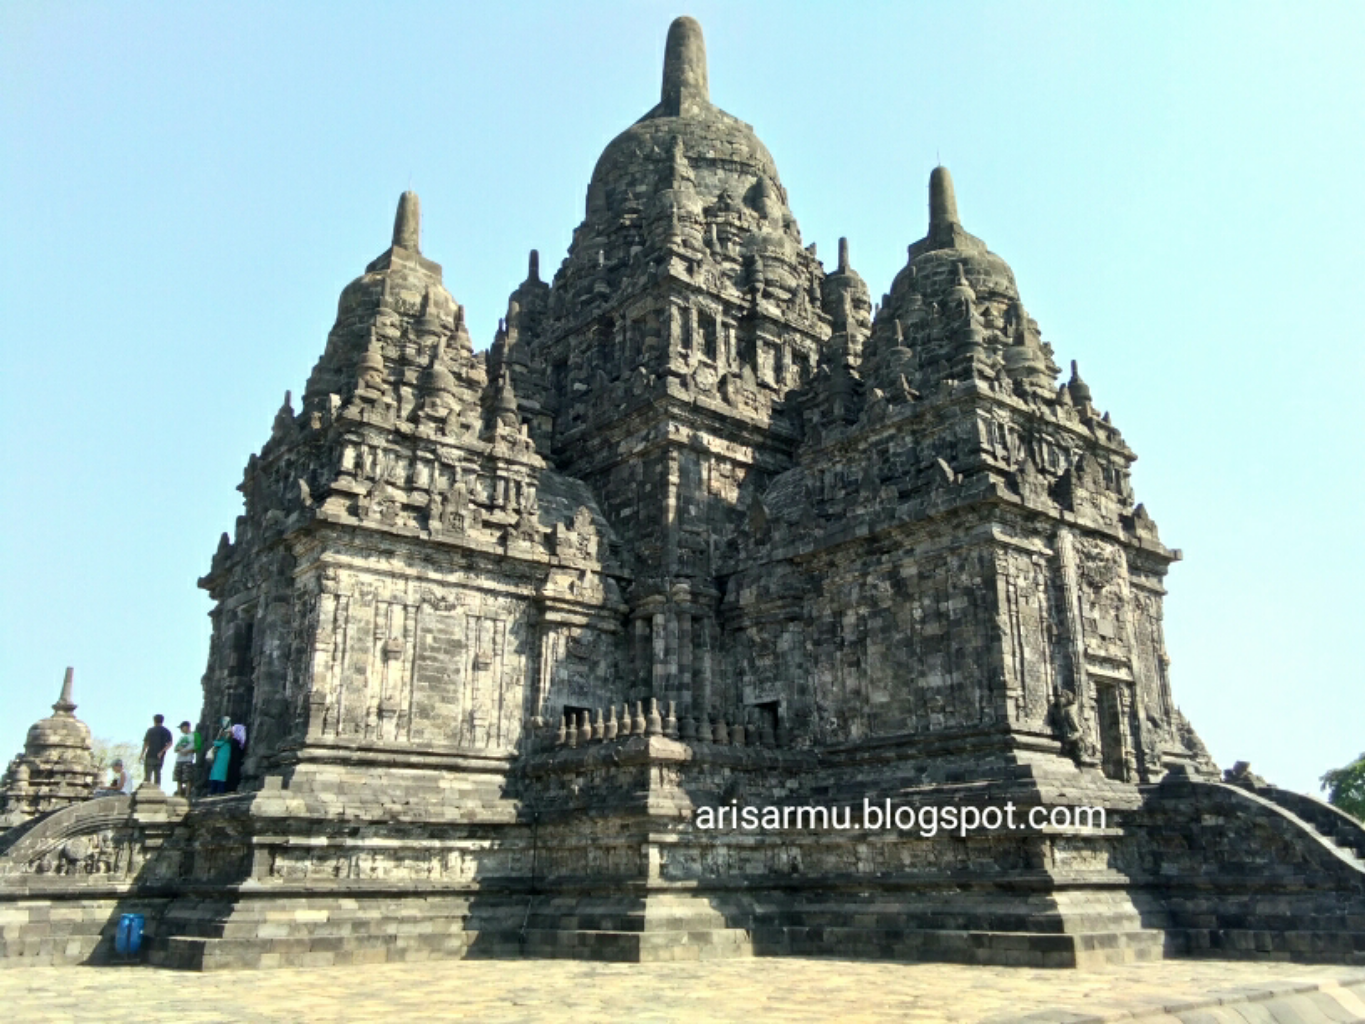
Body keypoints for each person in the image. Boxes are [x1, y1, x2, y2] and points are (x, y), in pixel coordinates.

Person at [140, 714, 174, 786]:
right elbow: (170, 744)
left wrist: (142, 754)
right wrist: (162, 751)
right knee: (157, 773)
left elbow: (146, 743)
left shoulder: (150, 730)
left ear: (154, 720)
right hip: (160, 756)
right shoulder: (166, 731)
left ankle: (146, 788)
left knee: (148, 773)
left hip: (150, 754)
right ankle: (157, 788)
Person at [171, 720, 196, 798]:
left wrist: (188, 751)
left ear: (186, 727)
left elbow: (198, 747)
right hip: (179, 759)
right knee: (178, 778)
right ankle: (179, 793)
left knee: (187, 777)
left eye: (182, 728)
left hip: (188, 759)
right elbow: (175, 749)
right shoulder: (181, 738)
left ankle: (187, 794)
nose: (181, 730)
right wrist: (180, 749)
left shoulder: (194, 735)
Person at [206, 725, 232, 795]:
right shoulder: (225, 743)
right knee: (218, 775)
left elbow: (218, 742)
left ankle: (216, 791)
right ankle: (215, 791)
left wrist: (220, 735)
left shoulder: (225, 742)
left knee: (219, 776)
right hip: (219, 759)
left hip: (221, 759)